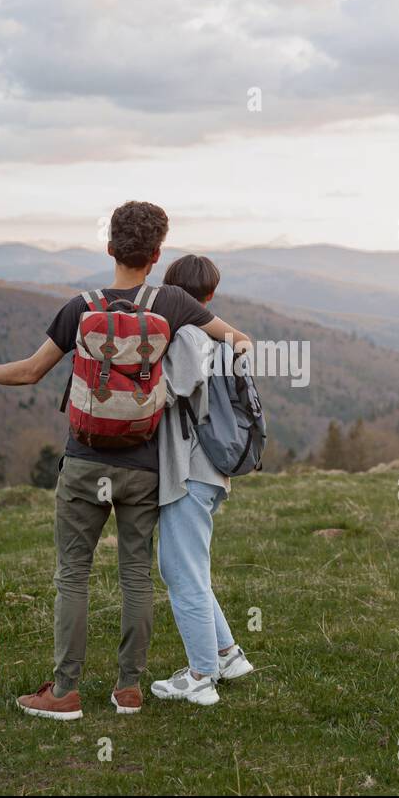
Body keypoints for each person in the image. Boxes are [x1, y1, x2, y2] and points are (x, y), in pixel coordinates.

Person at [0, 201, 249, 721]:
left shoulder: (80, 306)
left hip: (84, 462)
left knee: (73, 573)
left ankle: (65, 692)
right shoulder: (175, 302)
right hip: (143, 465)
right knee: (136, 574)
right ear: (158, 253)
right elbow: (238, 341)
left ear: (109, 247)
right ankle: (128, 691)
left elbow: (29, 372)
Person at [150, 255, 255, 706]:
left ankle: (200, 676)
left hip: (191, 469)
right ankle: (228, 654)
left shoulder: (190, 336)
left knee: (181, 572)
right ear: (210, 295)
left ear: (173, 295)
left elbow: (169, 391)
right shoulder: (221, 338)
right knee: (189, 567)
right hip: (210, 469)